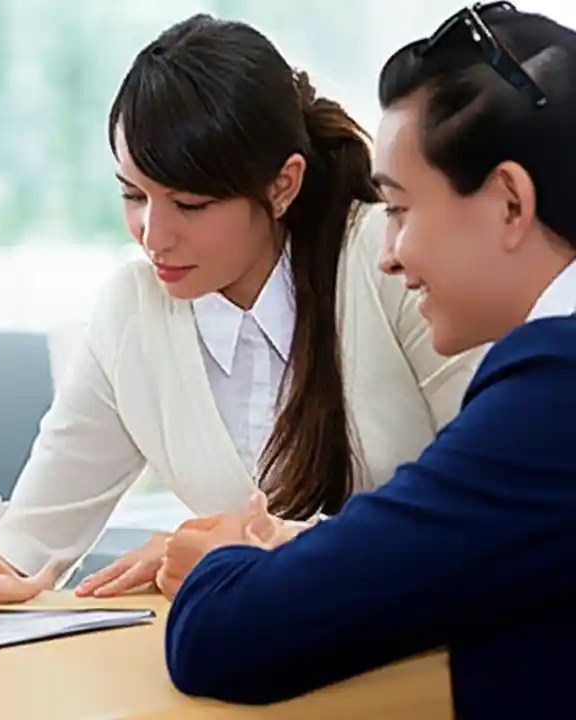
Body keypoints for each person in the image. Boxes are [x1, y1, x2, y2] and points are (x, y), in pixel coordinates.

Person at [0, 14, 483, 617]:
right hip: (261, 671)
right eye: (133, 195)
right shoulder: (131, 310)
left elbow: (488, 503)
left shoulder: (390, 262)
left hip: (425, 658)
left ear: (283, 185)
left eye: (189, 204)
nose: (153, 236)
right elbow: (26, 543)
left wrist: (242, 555)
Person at [160, 4, 576, 716]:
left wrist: (224, 559)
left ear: (510, 203)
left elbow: (224, 638)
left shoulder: (553, 397)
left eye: (401, 209)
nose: (388, 254)